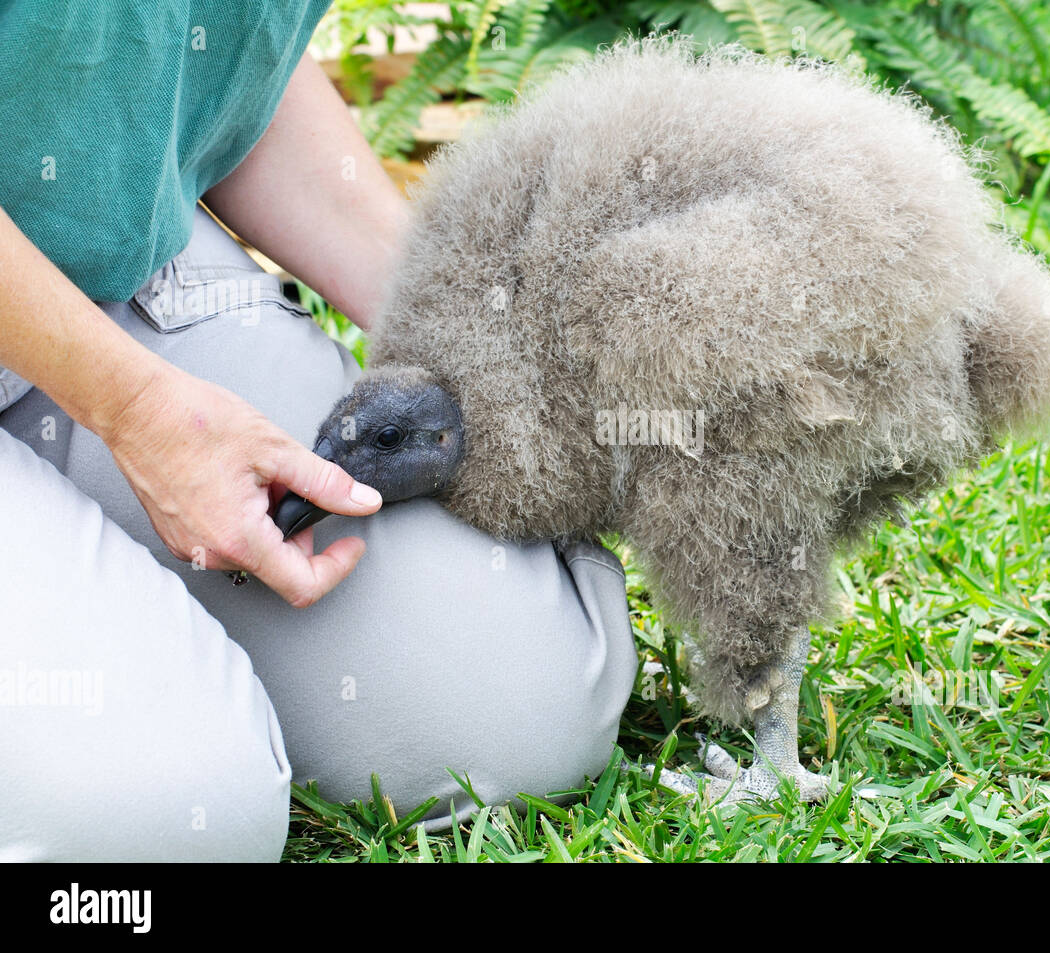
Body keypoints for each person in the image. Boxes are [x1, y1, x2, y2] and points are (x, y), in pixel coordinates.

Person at [0, 2, 636, 861]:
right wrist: (135, 409)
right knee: (160, 832)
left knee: (520, 712)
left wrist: (457, 334)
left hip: (80, 249)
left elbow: (190, 46)